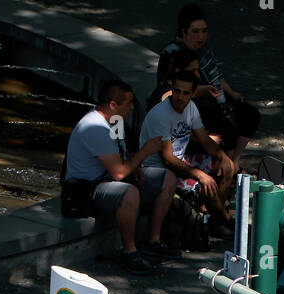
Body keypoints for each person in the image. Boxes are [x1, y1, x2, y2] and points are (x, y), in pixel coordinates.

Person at [63, 79, 176, 276]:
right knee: (129, 193)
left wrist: (136, 167)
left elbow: (122, 155)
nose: (133, 108)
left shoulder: (115, 120)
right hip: (85, 191)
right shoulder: (95, 128)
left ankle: (153, 240)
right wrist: (146, 150)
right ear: (113, 105)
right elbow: (119, 173)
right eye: (129, 103)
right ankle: (129, 252)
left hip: (107, 179)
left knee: (167, 178)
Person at [138, 68, 235, 235]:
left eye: (185, 93)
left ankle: (217, 219)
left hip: (180, 162)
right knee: (206, 183)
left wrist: (222, 156)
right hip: (158, 169)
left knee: (228, 166)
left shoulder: (191, 108)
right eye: (176, 91)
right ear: (172, 89)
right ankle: (223, 220)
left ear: (192, 94)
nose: (180, 97)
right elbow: (167, 159)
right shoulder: (161, 115)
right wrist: (199, 174)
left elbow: (205, 140)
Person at [157, 5, 260, 157]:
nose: (201, 36)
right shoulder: (174, 53)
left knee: (250, 115)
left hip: (214, 100)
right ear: (183, 32)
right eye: (196, 31)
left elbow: (214, 75)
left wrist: (231, 92)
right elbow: (173, 91)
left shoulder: (204, 49)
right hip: (192, 105)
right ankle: (226, 164)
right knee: (226, 129)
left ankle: (234, 160)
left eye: (204, 31)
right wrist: (204, 91)